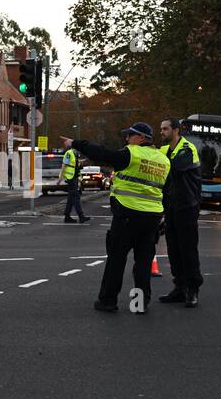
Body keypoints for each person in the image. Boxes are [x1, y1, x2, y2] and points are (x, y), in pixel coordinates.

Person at [63, 122, 169, 314]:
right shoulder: (163, 160)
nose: (127, 139)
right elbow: (166, 191)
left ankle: (108, 301)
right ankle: (139, 304)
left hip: (128, 215)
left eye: (131, 135)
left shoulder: (131, 154)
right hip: (152, 217)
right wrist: (163, 218)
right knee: (144, 263)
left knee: (116, 259)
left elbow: (102, 154)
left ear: (142, 138)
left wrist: (75, 143)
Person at [157, 119, 203, 307]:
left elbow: (173, 167)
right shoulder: (163, 150)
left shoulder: (187, 148)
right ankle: (180, 287)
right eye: (160, 129)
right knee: (173, 249)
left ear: (176, 130)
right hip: (171, 207)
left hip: (187, 206)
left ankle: (192, 288)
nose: (162, 132)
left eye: (165, 128)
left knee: (188, 249)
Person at [60, 143, 90, 224]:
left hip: (74, 177)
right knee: (76, 197)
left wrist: (82, 161)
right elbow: (64, 165)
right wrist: (60, 177)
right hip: (71, 178)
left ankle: (67, 216)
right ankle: (81, 216)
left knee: (71, 198)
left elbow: (74, 163)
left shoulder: (75, 154)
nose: (79, 151)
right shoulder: (69, 153)